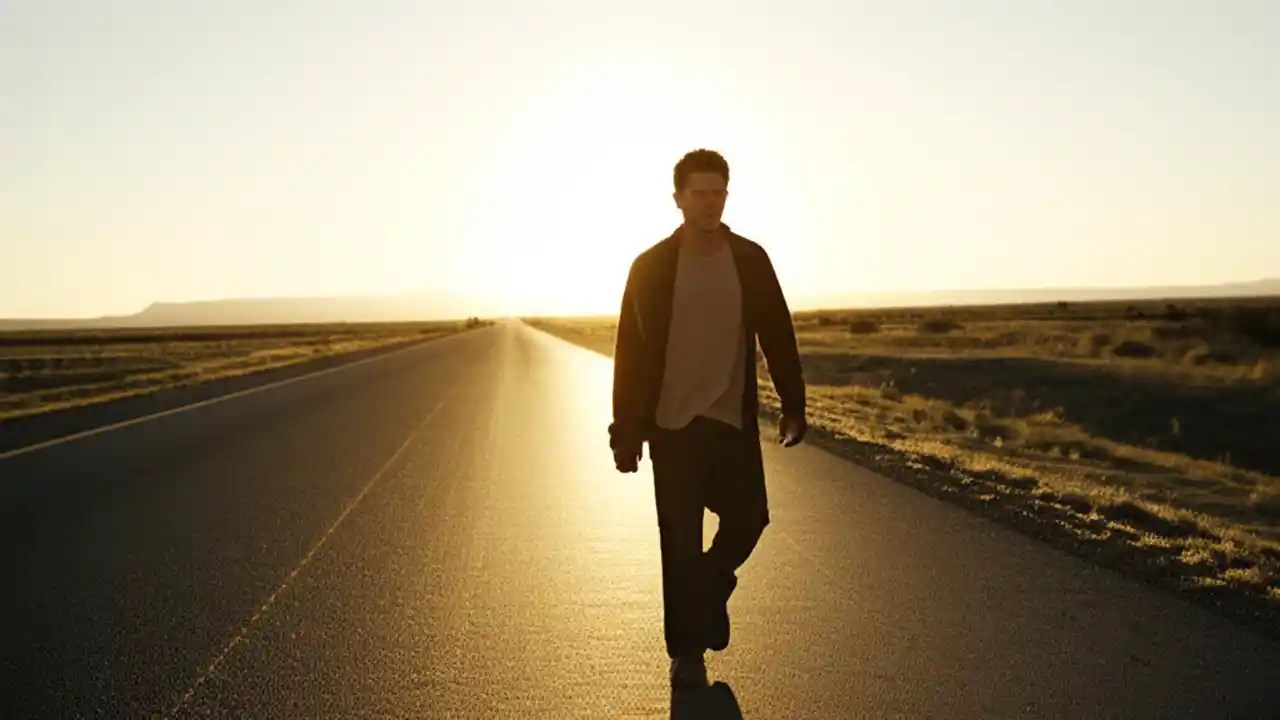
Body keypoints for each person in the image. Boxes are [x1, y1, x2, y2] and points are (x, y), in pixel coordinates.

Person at [608, 148, 807, 688]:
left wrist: (794, 406)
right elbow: (631, 351)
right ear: (678, 199)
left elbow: (777, 335)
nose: (709, 202)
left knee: (750, 519)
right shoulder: (650, 267)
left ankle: (712, 583)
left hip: (729, 422)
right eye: (698, 193)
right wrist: (626, 430)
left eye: (718, 192)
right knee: (678, 538)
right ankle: (686, 653)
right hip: (671, 427)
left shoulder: (750, 259)